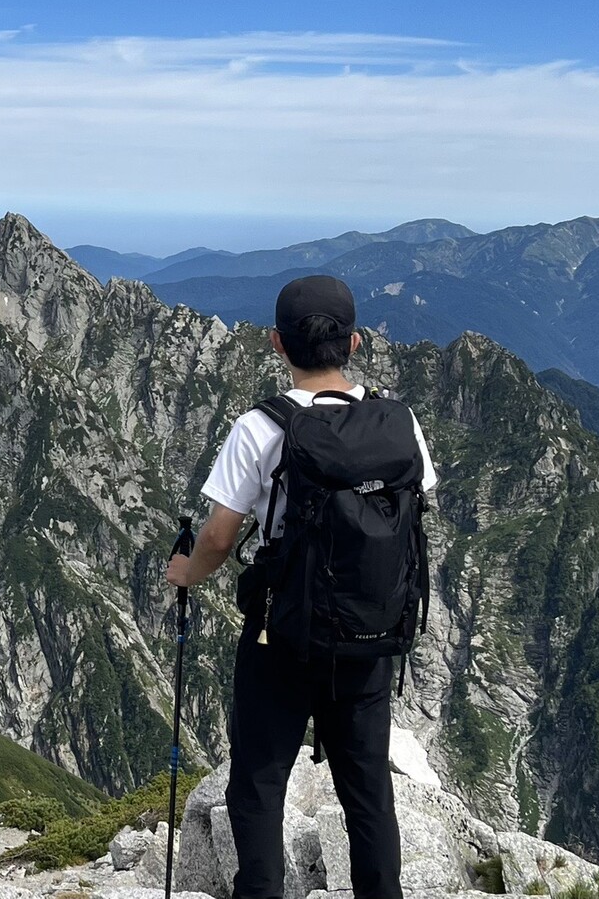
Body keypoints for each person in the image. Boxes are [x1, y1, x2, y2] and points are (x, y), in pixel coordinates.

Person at [165, 274, 437, 899]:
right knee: (366, 787)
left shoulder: (261, 429)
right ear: (356, 342)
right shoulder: (400, 424)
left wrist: (185, 572)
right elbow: (417, 507)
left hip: (279, 637)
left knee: (259, 783)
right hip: (369, 638)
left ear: (276, 345)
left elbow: (218, 539)